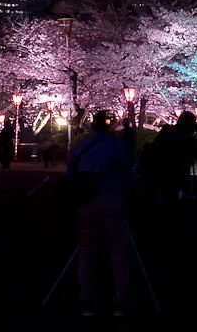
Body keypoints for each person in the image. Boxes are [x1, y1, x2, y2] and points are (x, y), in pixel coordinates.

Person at [67, 111, 131, 316]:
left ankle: (85, 297)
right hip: (111, 198)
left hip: (85, 199)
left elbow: (70, 172)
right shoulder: (117, 145)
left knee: (85, 250)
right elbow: (127, 173)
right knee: (117, 250)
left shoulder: (81, 146)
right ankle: (119, 298)